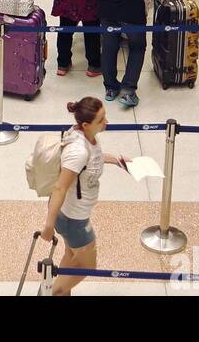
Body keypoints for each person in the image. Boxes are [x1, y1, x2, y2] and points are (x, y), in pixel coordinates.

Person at [39, 97, 131, 297]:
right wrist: (48, 226)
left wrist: (115, 160)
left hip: (73, 215)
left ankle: (58, 293)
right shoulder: (77, 151)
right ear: (86, 125)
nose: (106, 122)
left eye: (105, 116)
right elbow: (59, 189)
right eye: (101, 120)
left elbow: (93, 158)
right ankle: (50, 293)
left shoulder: (86, 136)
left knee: (71, 257)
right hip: (74, 220)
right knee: (87, 264)